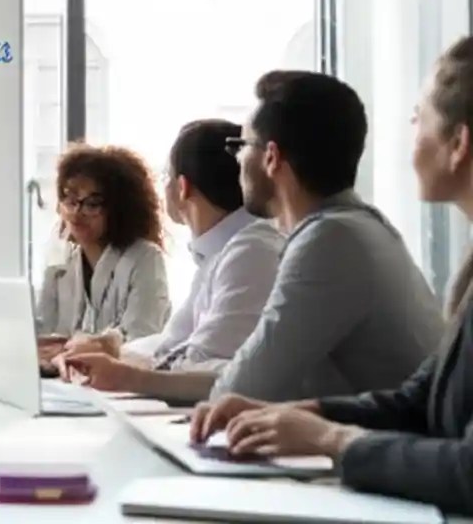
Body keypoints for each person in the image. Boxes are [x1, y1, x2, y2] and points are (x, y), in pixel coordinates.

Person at [190, 39, 473, 515]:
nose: (411, 132)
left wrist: (330, 438)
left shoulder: (333, 238)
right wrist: (310, 416)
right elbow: (419, 399)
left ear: (459, 144)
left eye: (418, 117)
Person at [63, 71, 442, 403]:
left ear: (271, 157)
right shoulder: (355, 227)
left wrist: (130, 374)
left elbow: (243, 384)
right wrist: (124, 361)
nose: (237, 161)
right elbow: (232, 367)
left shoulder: (328, 240)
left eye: (242, 146)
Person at [54, 120, 283, 379]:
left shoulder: (249, 253)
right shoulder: (221, 252)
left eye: (166, 177)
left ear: (182, 187)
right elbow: (172, 343)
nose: (77, 212)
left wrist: (121, 361)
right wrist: (113, 348)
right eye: (70, 200)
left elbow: (199, 361)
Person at [35, 143, 170, 353]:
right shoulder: (61, 258)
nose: (77, 213)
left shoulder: (145, 258)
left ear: (119, 208)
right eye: (70, 200)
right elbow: (42, 329)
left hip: (121, 382)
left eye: (92, 204)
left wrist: (97, 345)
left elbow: (142, 336)